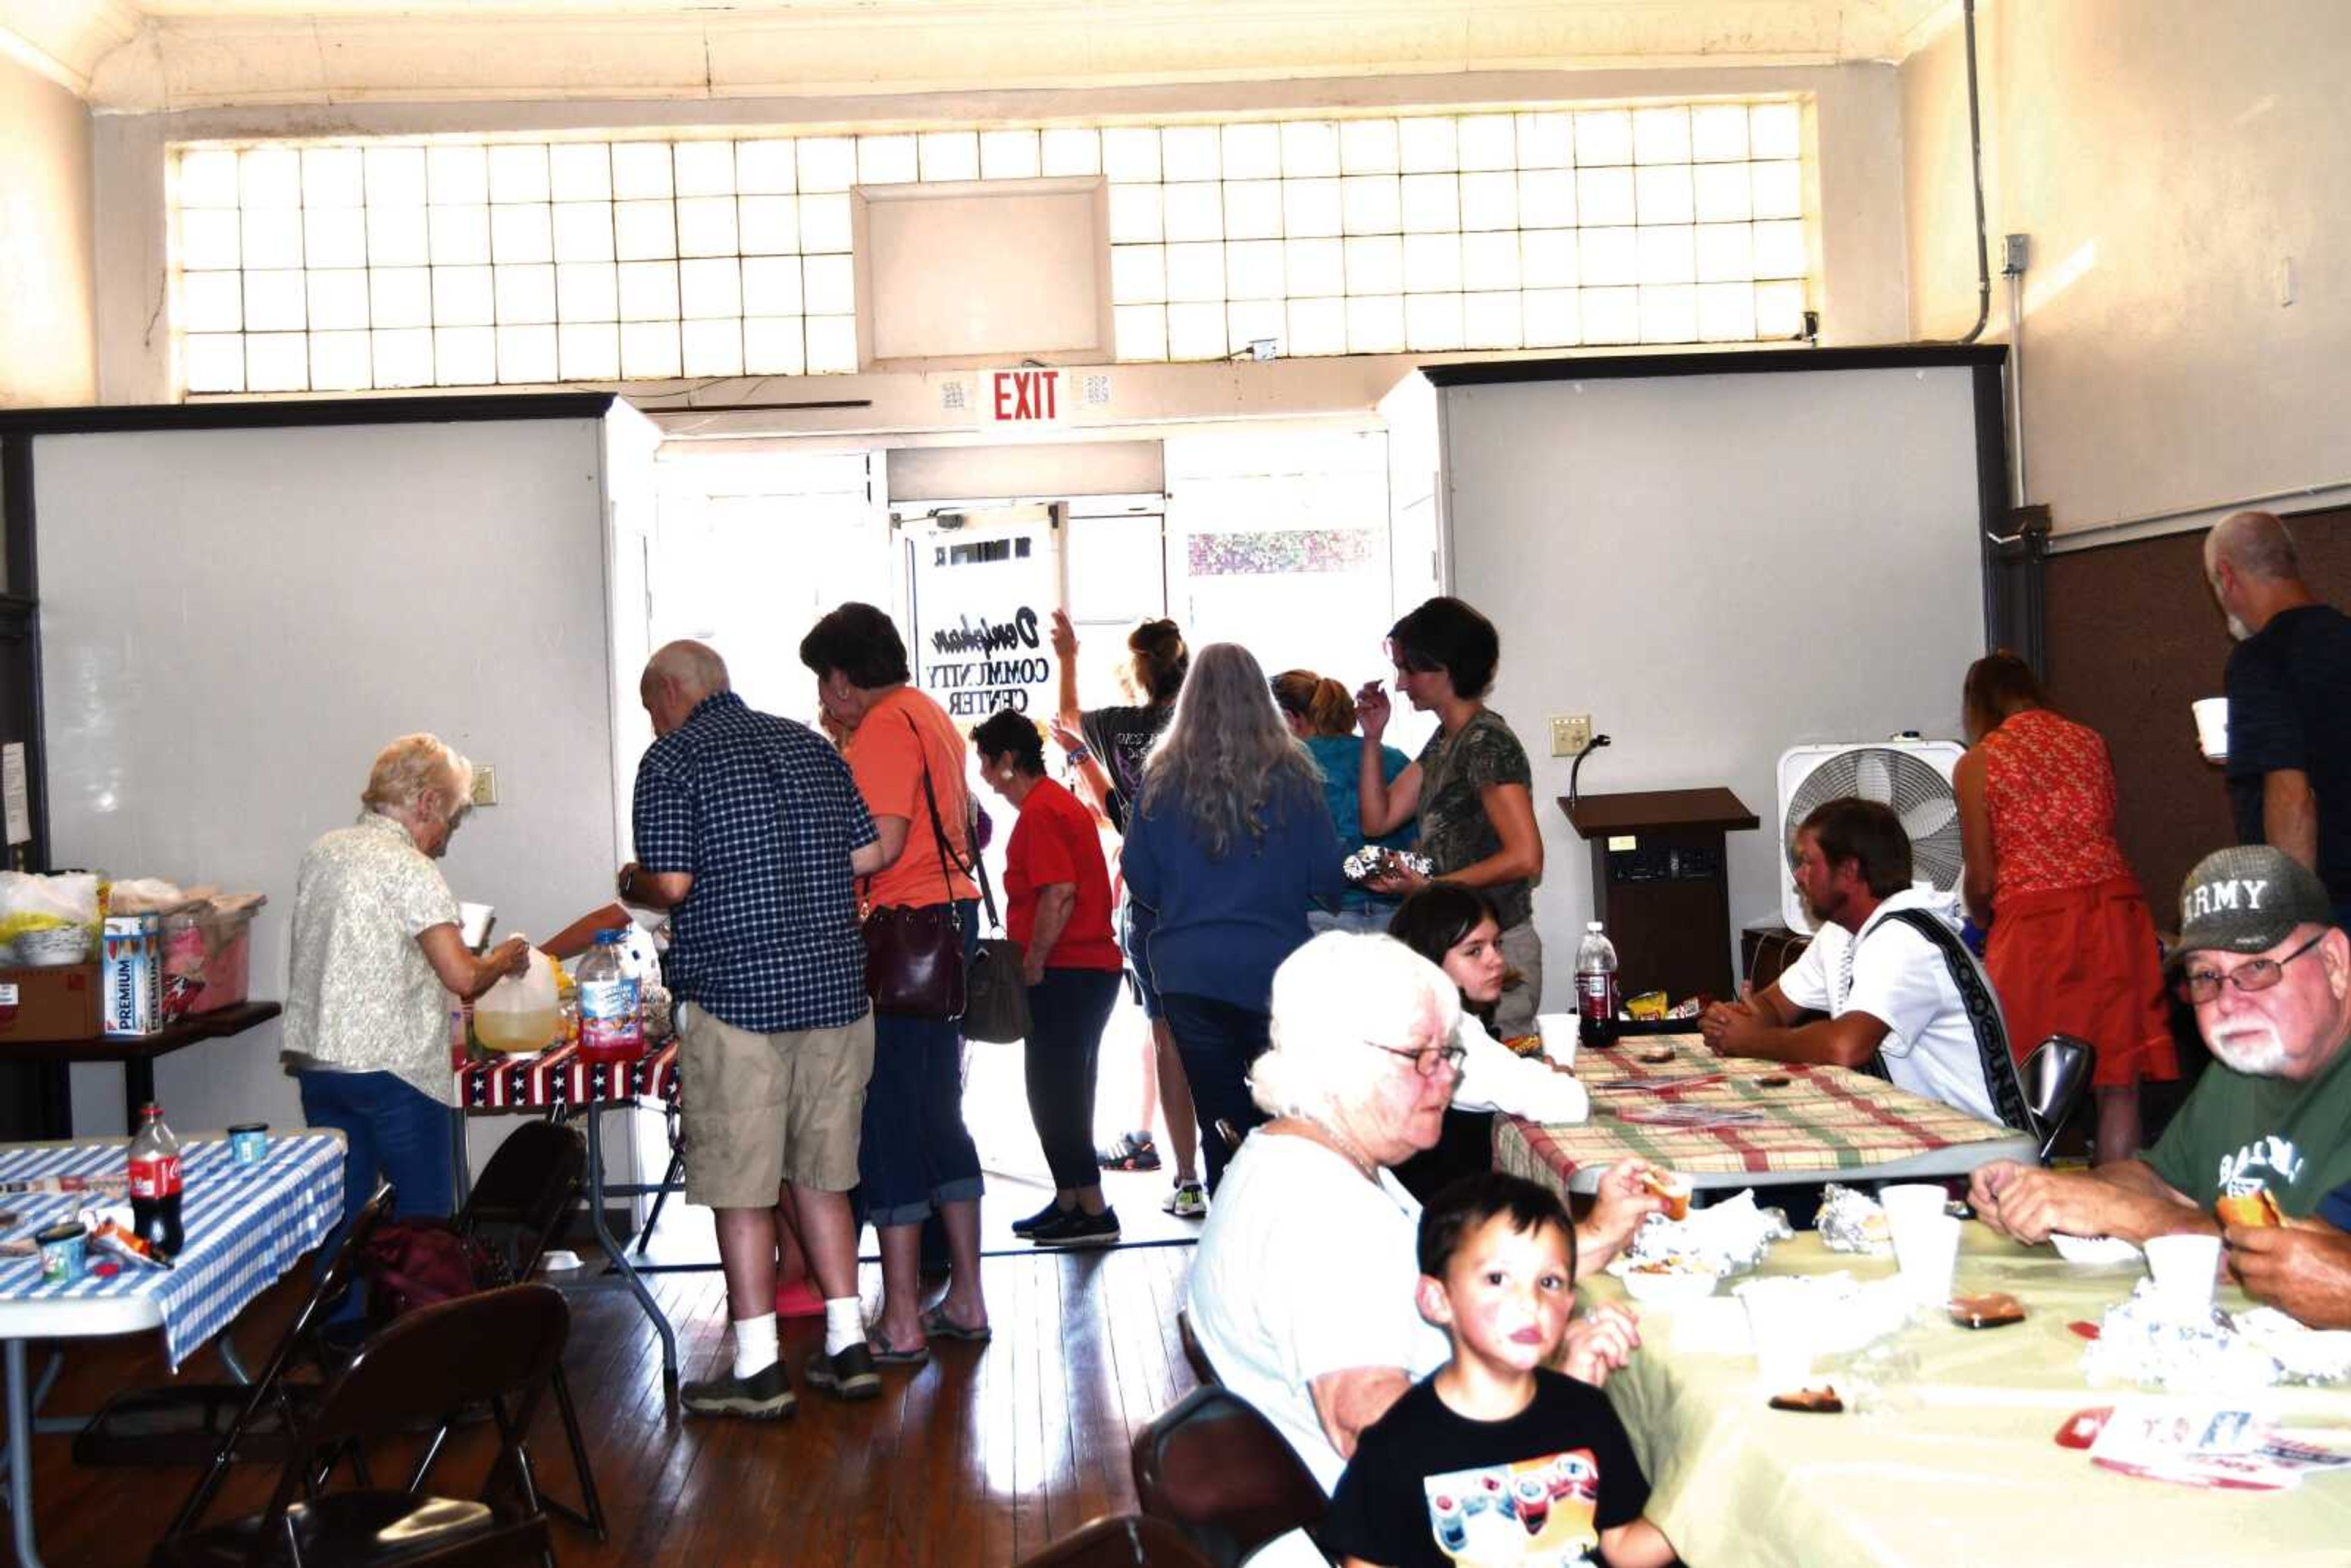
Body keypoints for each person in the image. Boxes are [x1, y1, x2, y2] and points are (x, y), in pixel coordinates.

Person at [1187, 932, 1662, 1555]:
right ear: (1341, 1061)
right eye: (1423, 1056)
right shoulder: (1326, 1216)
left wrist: (1595, 1234)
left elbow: (1469, 1275)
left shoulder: (1307, 1153)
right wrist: (1553, 1399)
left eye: (1449, 1053)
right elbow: (1373, 1431)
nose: (1447, 1077)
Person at [620, 640, 887, 1416]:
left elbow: (669, 883)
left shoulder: (672, 761)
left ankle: (760, 1366)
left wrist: (626, 880)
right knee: (825, 1176)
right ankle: (849, 1346)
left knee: (742, 1187)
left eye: (650, 706)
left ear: (672, 690)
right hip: (835, 995)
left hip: (738, 1003)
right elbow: (867, 850)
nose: (653, 722)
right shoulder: (811, 746)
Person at [1974, 844, 2351, 1246]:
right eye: (2206, 975)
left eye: (2257, 966)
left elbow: (2314, 1259)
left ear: (2335, 962)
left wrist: (2118, 1212)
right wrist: (2046, 1194)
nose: (2228, 1002)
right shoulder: (2242, 1066)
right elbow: (2163, 1182)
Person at [282, 733, 531, 1332]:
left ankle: (339, 1338)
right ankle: (426, 1348)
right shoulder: (410, 867)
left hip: (322, 1063)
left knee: (343, 1214)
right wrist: (507, 956)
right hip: (394, 1070)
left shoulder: (323, 852)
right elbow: (461, 975)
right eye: (447, 817)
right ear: (423, 802)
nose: (444, 834)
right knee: (423, 1218)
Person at [799, 603, 991, 1357]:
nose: (824, 693)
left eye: (824, 678)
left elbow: (878, 847)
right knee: (941, 1114)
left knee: (889, 1120)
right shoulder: (928, 714)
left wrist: (801, 855)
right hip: (947, 924)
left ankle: (903, 1316)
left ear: (844, 677)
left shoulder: (882, 726)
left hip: (904, 933)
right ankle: (967, 1298)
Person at [1322, 1172, 1678, 1568]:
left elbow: (1625, 1546)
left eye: (1549, 1281)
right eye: (1497, 1278)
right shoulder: (1396, 1446)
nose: (1530, 1302)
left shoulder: (1587, 1411)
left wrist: (1711, 1488)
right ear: (1437, 1299)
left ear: (1570, 1301)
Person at [1122, 642, 1346, 1193]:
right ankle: (1282, 1248)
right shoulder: (1296, 775)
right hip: (1275, 973)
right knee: (1287, 1121)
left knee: (1221, 1123)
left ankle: (1228, 1241)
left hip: (1189, 976)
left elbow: (1141, 880)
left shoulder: (1161, 777)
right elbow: (1328, 881)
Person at [1954, 650, 2178, 1163]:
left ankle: (2028, 1211)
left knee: (2025, 1077)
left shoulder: (1979, 761)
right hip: (2116, 915)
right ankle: (2116, 1220)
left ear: (1979, 703)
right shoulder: (2089, 741)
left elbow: (1983, 877)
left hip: (2035, 924)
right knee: (2118, 1083)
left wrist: (1984, 925)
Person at [1699, 797, 2026, 1127]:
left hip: (1981, 1146)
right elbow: (1776, 1005)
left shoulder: (1905, 938)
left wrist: (1750, 1040)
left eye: (1809, 863)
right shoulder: (1841, 933)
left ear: (1849, 871)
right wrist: (1735, 1020)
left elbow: (1846, 1048)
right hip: (1916, 1130)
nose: (1799, 876)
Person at [1049, 609, 1202, 1214]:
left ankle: (1187, 1177)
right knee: (1219, 1032)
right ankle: (1233, 1172)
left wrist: (1067, 656)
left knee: (1165, 1037)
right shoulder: (1203, 725)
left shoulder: (1118, 726)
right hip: (1211, 892)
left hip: (1148, 898)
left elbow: (1066, 720)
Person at [1355, 597, 1547, 1037]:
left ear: (1445, 668)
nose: (1401, 685)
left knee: (1501, 1095)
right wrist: (1372, 737)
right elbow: (1377, 819)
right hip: (1453, 948)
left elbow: (1527, 857)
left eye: (1410, 670)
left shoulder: (1486, 742)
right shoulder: (1447, 738)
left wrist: (1432, 886)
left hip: (1495, 950)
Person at [971, 709, 1125, 1247]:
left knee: (1052, 1092)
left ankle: (1093, 1209)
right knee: (1068, 1089)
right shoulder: (1057, 804)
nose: (986, 777)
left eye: (987, 764)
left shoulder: (1041, 812)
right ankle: (1073, 1200)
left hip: (1068, 969)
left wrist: (1033, 960)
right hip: (1087, 969)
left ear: (1009, 760)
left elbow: (1059, 893)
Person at [1387, 883, 1589, 1201]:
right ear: (1430, 962)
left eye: (1496, 944)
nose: (1497, 960)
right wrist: (1555, 1078)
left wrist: (1529, 1073)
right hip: (1448, 1221)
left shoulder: (1413, 1018)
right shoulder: (1449, 1035)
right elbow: (1569, 1104)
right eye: (1474, 951)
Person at [2204, 509, 2351, 924]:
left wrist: (2295, 922)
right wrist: (2247, 752)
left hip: (2331, 903)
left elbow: (2292, 795)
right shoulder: (2343, 637)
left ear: (2226, 576)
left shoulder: (2260, 658)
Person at [1273, 668, 1414, 936]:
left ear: (1289, 718)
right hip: (1397, 917)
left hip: (1322, 919)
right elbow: (1419, 841)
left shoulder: (1285, 770)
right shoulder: (1395, 761)